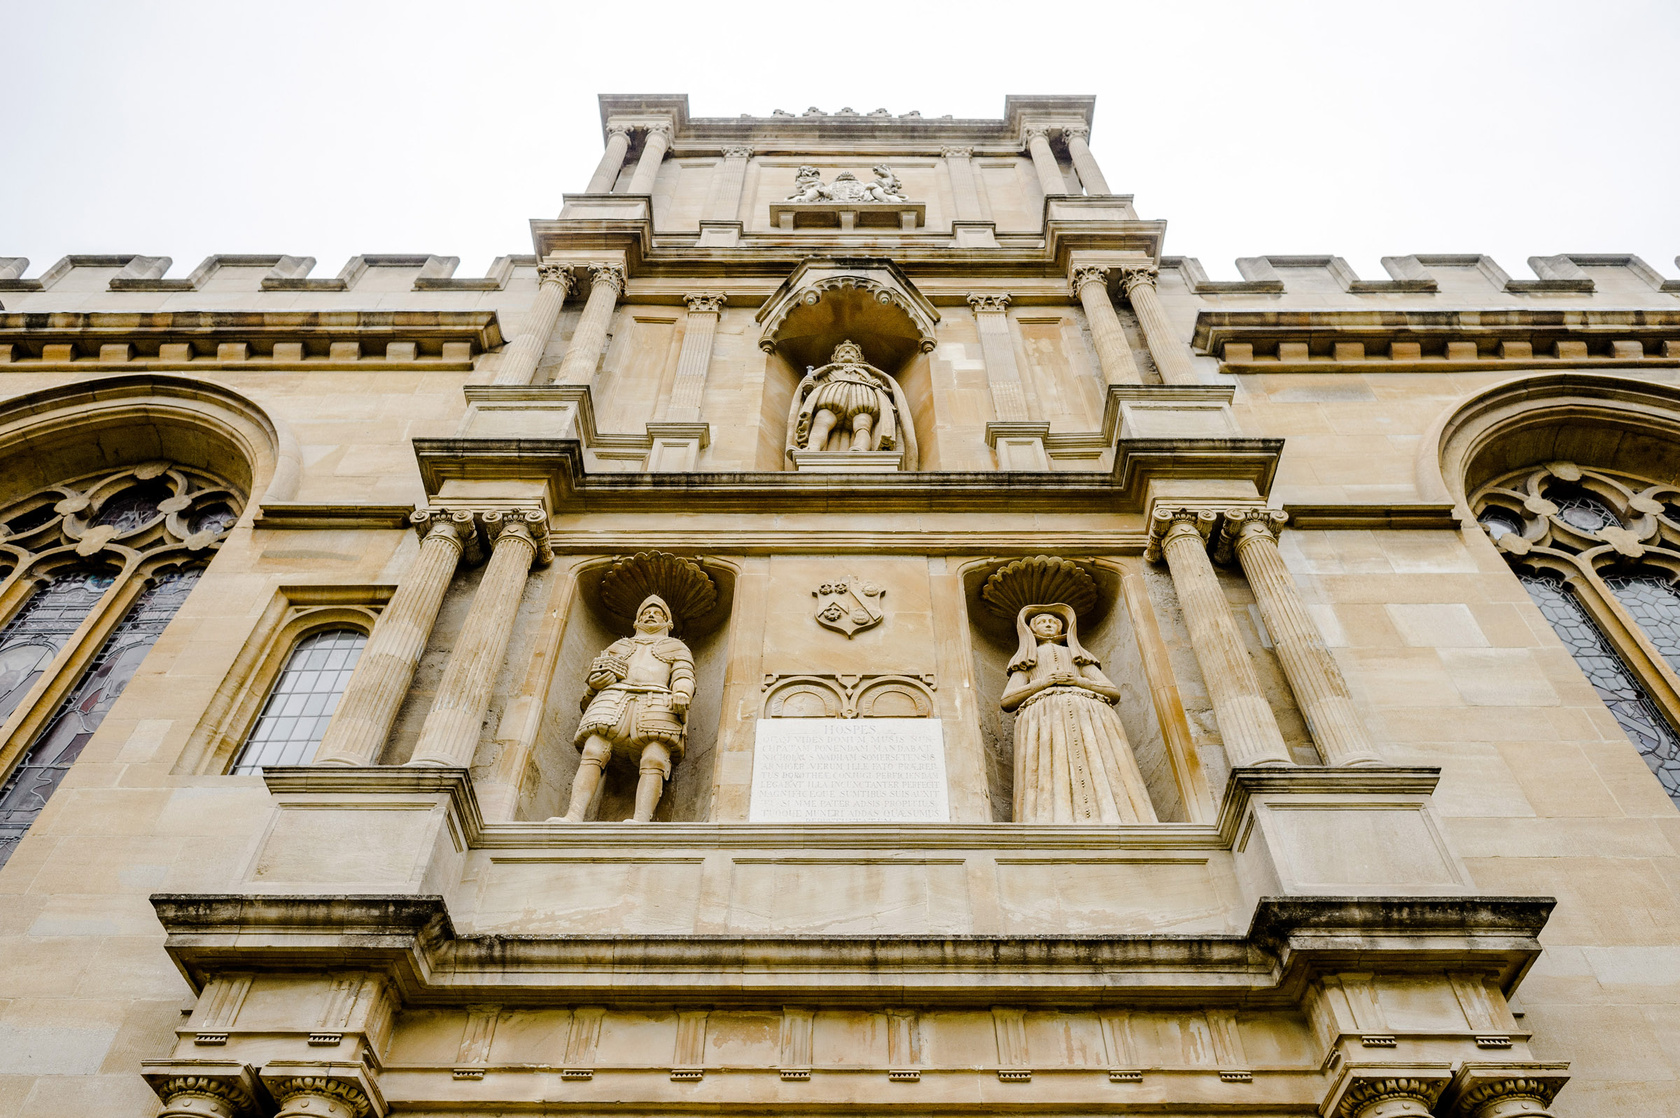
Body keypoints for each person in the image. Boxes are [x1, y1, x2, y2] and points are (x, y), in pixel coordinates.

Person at [1000, 603, 1157, 824]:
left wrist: (1078, 681)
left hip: (1089, 715)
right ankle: (1052, 820)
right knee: (1053, 767)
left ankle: (1113, 816)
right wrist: (1042, 683)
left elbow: (1112, 691)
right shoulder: (1027, 659)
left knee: (1097, 763)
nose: (1048, 625)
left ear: (1063, 629)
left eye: (1053, 622)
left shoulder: (1077, 656)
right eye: (1042, 622)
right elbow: (1008, 700)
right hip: (1046, 717)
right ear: (1031, 630)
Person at [554, 594, 694, 823]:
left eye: (657, 612)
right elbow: (594, 682)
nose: (650, 615)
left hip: (657, 701)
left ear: (668, 622)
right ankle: (574, 814)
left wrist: (681, 692)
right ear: (636, 620)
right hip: (613, 699)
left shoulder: (676, 646)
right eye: (645, 612)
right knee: (593, 750)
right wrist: (596, 683)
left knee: (655, 758)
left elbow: (684, 674)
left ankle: (641, 820)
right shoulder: (619, 646)